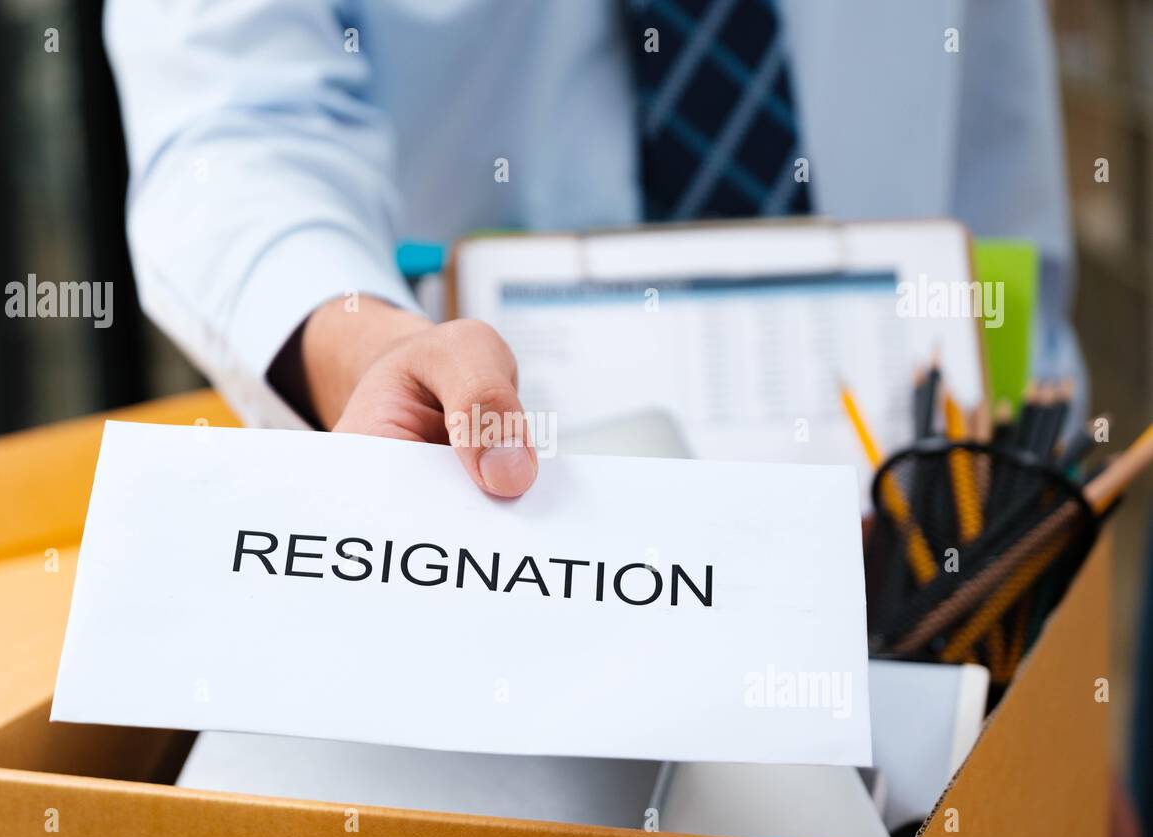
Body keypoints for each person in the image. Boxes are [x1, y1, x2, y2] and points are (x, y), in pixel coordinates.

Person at [105, 0, 1082, 499]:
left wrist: (1054, 692)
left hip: (909, 539)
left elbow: (998, 168)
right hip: (500, 521)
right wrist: (369, 346)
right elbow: (229, 127)